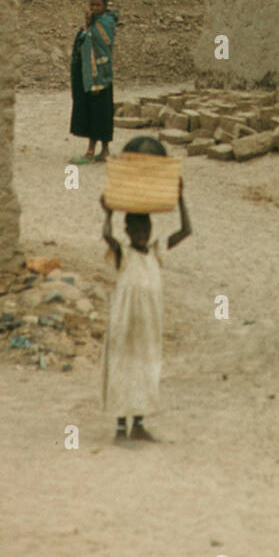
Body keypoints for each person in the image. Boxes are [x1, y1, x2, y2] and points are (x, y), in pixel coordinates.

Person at [99, 136, 192, 444]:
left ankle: (138, 424)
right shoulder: (123, 252)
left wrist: (180, 197)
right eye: (137, 230)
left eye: (146, 229)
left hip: (149, 323)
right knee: (123, 368)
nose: (142, 234)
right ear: (128, 232)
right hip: (125, 323)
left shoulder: (156, 250)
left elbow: (186, 231)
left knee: (146, 369)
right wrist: (109, 212)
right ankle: (119, 428)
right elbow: (106, 236)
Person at [70, 0, 118, 163]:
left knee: (100, 113)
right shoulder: (91, 23)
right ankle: (102, 150)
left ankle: (92, 152)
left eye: (98, 5)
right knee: (98, 112)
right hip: (92, 76)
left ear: (105, 6)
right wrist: (87, 25)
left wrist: (89, 27)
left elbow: (99, 41)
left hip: (101, 75)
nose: (95, 8)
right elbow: (82, 41)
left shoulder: (106, 23)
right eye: (92, 5)